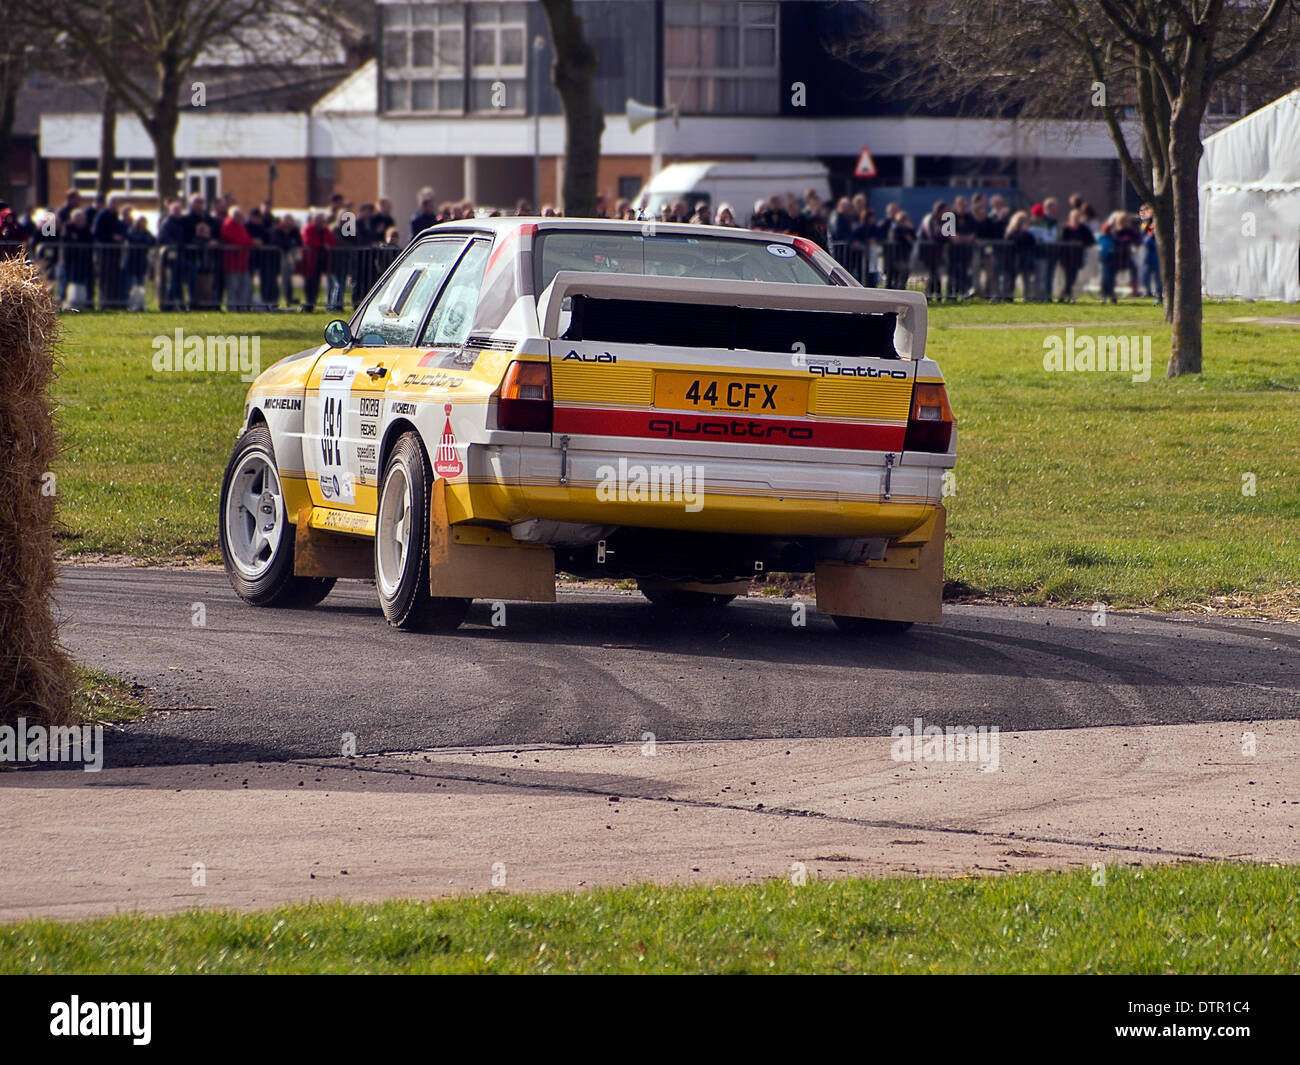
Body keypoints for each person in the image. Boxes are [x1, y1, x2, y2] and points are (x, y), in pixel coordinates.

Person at [220, 205, 256, 311]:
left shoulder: (240, 226)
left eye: (240, 214)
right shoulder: (228, 225)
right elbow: (236, 240)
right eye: (237, 215)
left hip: (242, 264)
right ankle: (232, 309)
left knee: (246, 287)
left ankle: (243, 309)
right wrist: (252, 242)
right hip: (232, 264)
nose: (240, 217)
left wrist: (250, 242)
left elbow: (246, 239)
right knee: (233, 288)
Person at [1058, 208, 1094, 302]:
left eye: (1077, 217)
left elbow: (1091, 240)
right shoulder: (1066, 229)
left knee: (1072, 278)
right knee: (1068, 278)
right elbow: (1061, 242)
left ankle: (1065, 295)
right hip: (1066, 257)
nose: (1076, 219)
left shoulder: (1083, 229)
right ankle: (1066, 295)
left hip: (1077, 257)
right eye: (1074, 218)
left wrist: (1082, 243)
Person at [300, 212, 333, 311]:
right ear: (314, 221)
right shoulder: (308, 229)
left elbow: (332, 241)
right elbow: (308, 241)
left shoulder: (325, 230)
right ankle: (308, 303)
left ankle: (312, 303)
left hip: (320, 261)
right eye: (318, 220)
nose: (320, 223)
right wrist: (322, 245)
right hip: (309, 262)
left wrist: (327, 245)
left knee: (316, 283)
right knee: (309, 282)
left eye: (321, 221)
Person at [918, 200, 950, 300]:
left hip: (937, 253)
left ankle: (931, 295)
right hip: (927, 252)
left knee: (934, 274)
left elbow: (950, 236)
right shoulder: (930, 220)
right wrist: (946, 237)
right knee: (934, 274)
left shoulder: (946, 221)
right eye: (945, 210)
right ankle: (933, 295)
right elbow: (933, 236)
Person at [123, 215, 155, 310]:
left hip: (141, 263)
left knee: (140, 284)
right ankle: (132, 304)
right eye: (142, 222)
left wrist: (144, 242)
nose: (143, 224)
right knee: (132, 284)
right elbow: (134, 240)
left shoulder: (146, 233)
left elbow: (153, 241)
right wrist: (144, 243)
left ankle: (140, 304)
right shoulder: (132, 231)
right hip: (132, 262)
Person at [1004, 210, 1037, 301]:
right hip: (1013, 259)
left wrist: (1025, 232)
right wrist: (1022, 232)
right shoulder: (1011, 232)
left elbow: (1032, 241)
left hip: (1025, 259)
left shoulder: (1028, 234)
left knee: (1026, 280)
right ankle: (1009, 297)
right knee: (1011, 279)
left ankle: (1027, 297)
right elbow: (1015, 240)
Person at [885, 210, 915, 290]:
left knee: (904, 276)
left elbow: (913, 238)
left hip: (905, 256)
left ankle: (901, 289)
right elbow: (897, 237)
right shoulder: (895, 229)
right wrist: (906, 238)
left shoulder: (909, 229)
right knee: (894, 277)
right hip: (895, 256)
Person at [1139, 203, 1162, 302]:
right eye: (1140, 211)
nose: (1142, 213)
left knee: (1157, 273)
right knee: (1145, 272)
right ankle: (1147, 290)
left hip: (1155, 250)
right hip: (1146, 251)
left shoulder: (1154, 222)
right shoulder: (1144, 223)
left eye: (1144, 211)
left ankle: (1159, 293)